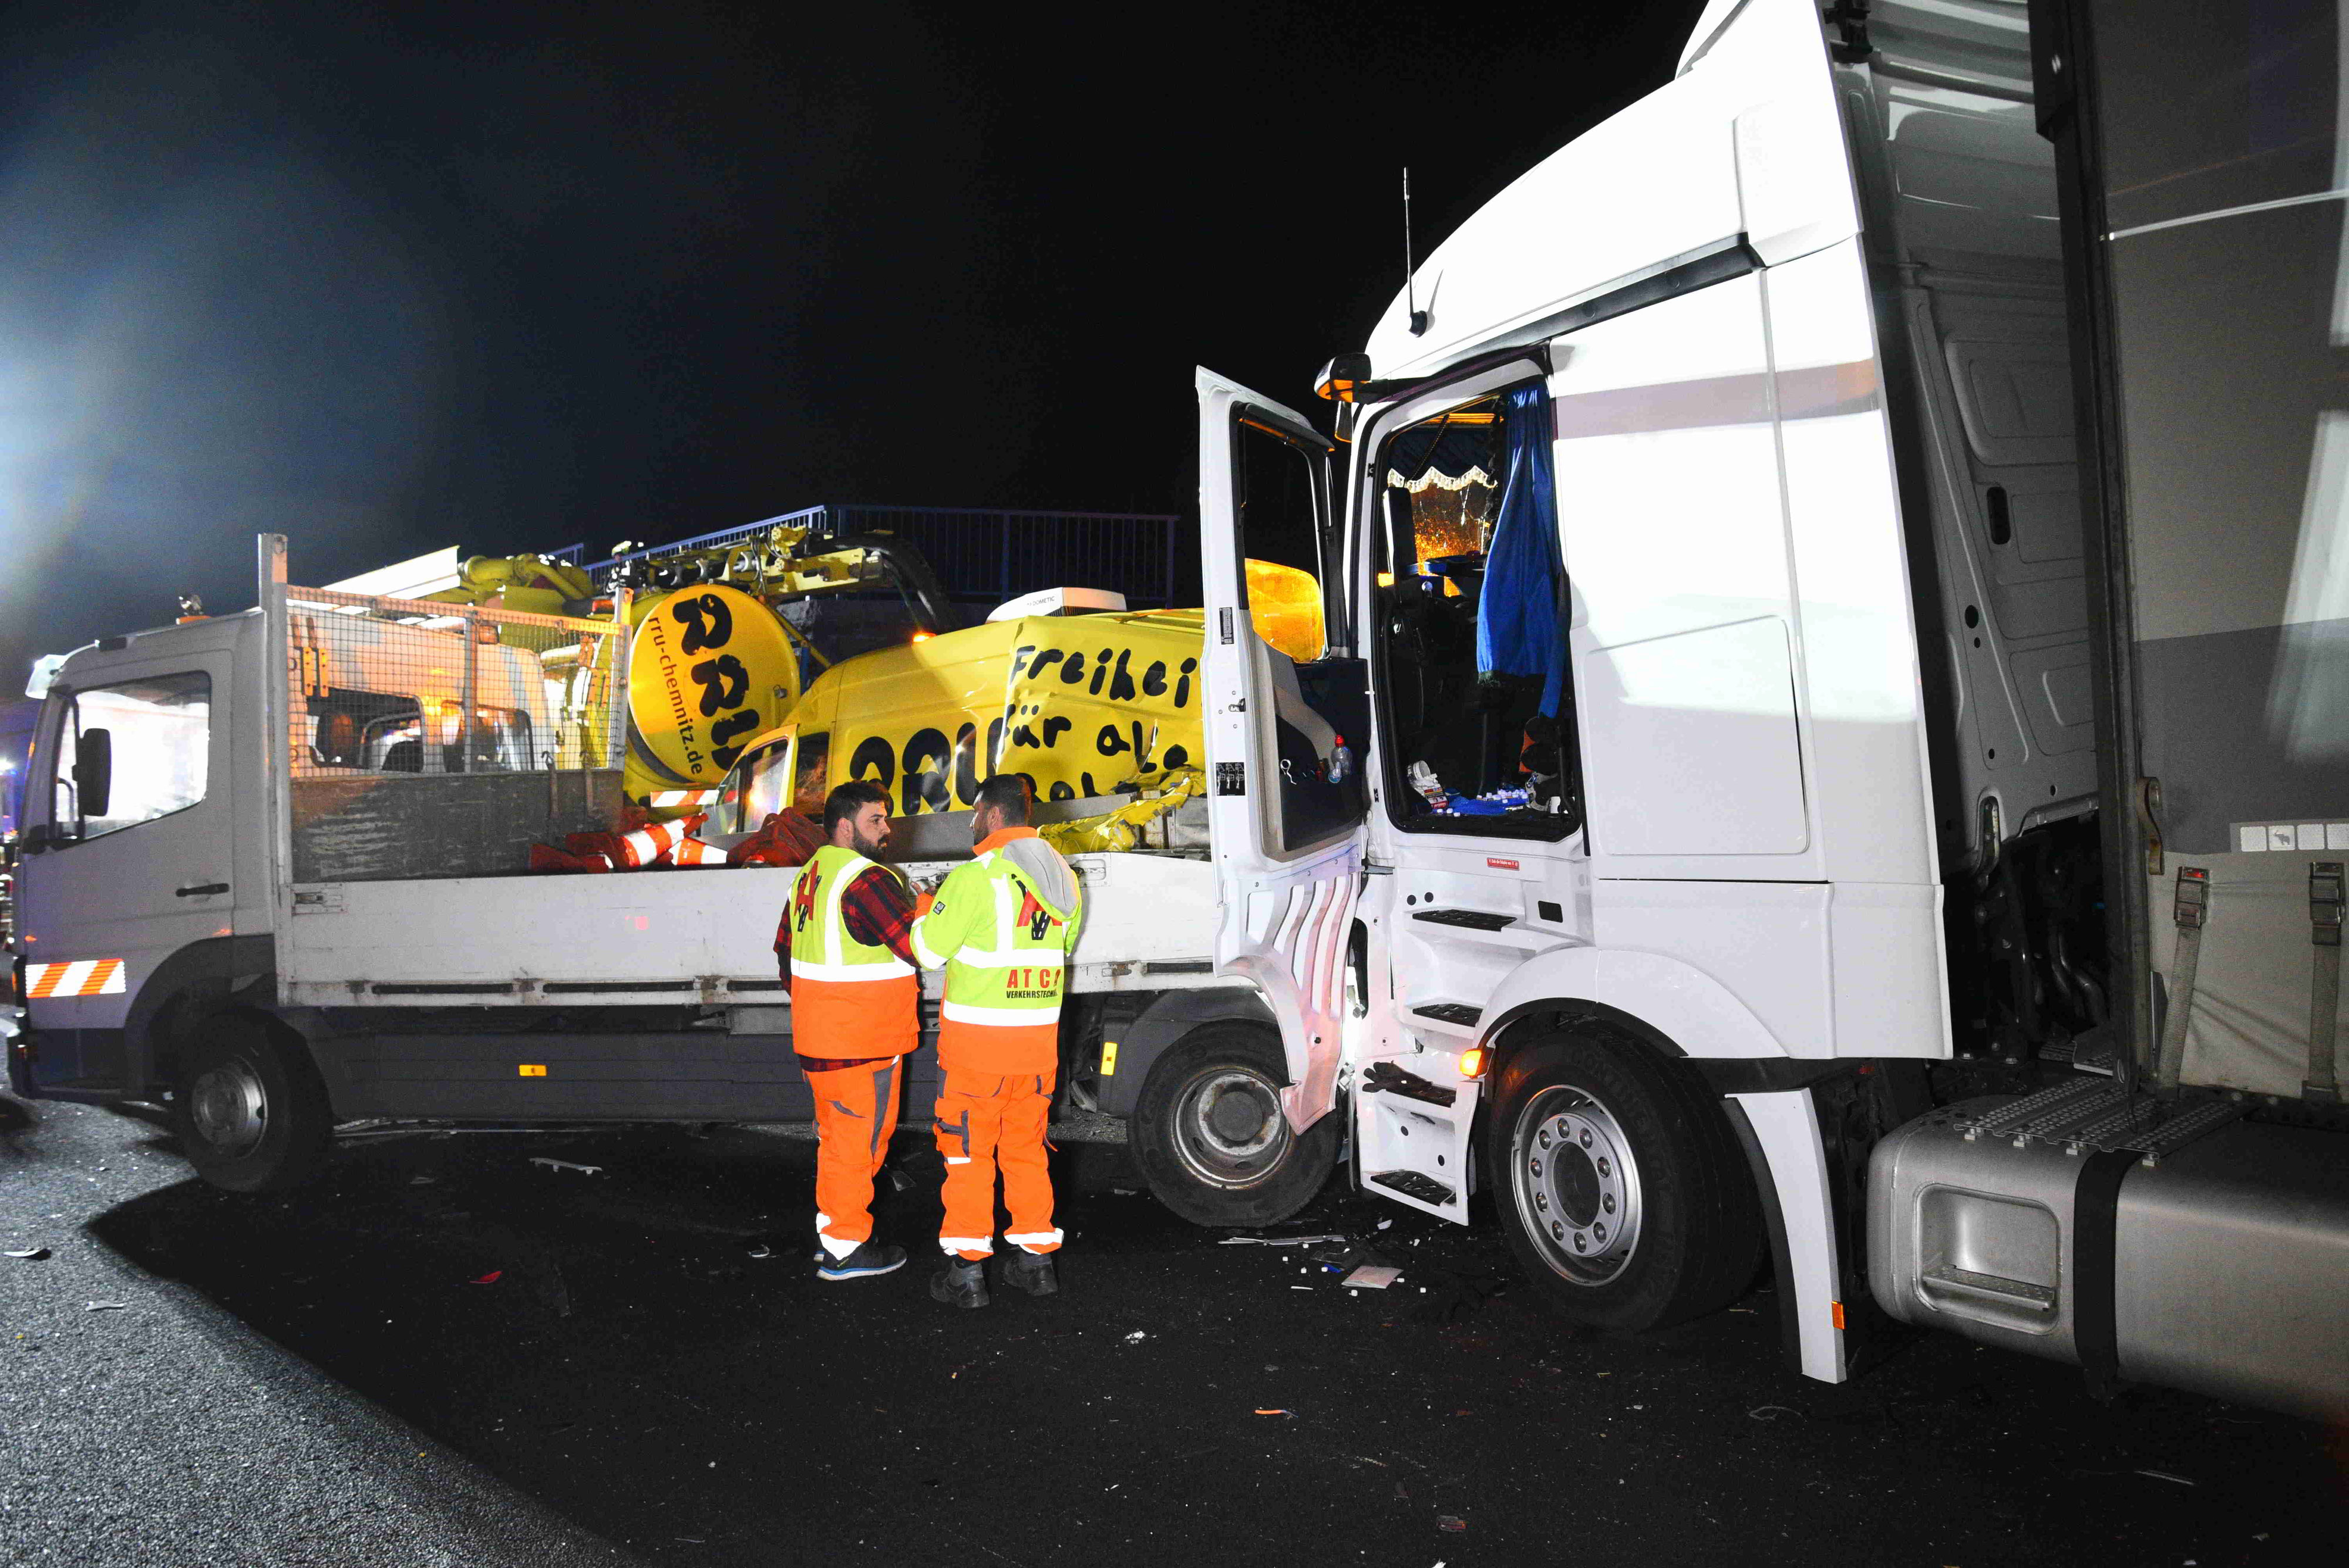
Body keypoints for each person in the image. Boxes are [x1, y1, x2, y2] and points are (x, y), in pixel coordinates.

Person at [910, 774, 1082, 1307]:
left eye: (974, 813)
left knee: (968, 1155)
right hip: (1036, 1050)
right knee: (1026, 1152)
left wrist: (925, 908)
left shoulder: (973, 878)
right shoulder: (1063, 878)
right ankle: (1036, 1265)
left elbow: (927, 952)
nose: (971, 823)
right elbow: (1061, 948)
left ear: (991, 813)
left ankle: (966, 1275)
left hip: (977, 1054)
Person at [776, 780, 920, 1280]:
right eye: (875, 820)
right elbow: (916, 945)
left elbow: (785, 954)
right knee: (859, 1148)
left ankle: (833, 1236)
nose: (886, 829)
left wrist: (820, 1008)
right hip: (864, 1043)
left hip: (822, 1039)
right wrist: (933, 908)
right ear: (844, 826)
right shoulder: (867, 880)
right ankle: (847, 1249)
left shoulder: (809, 877)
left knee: (838, 1145)